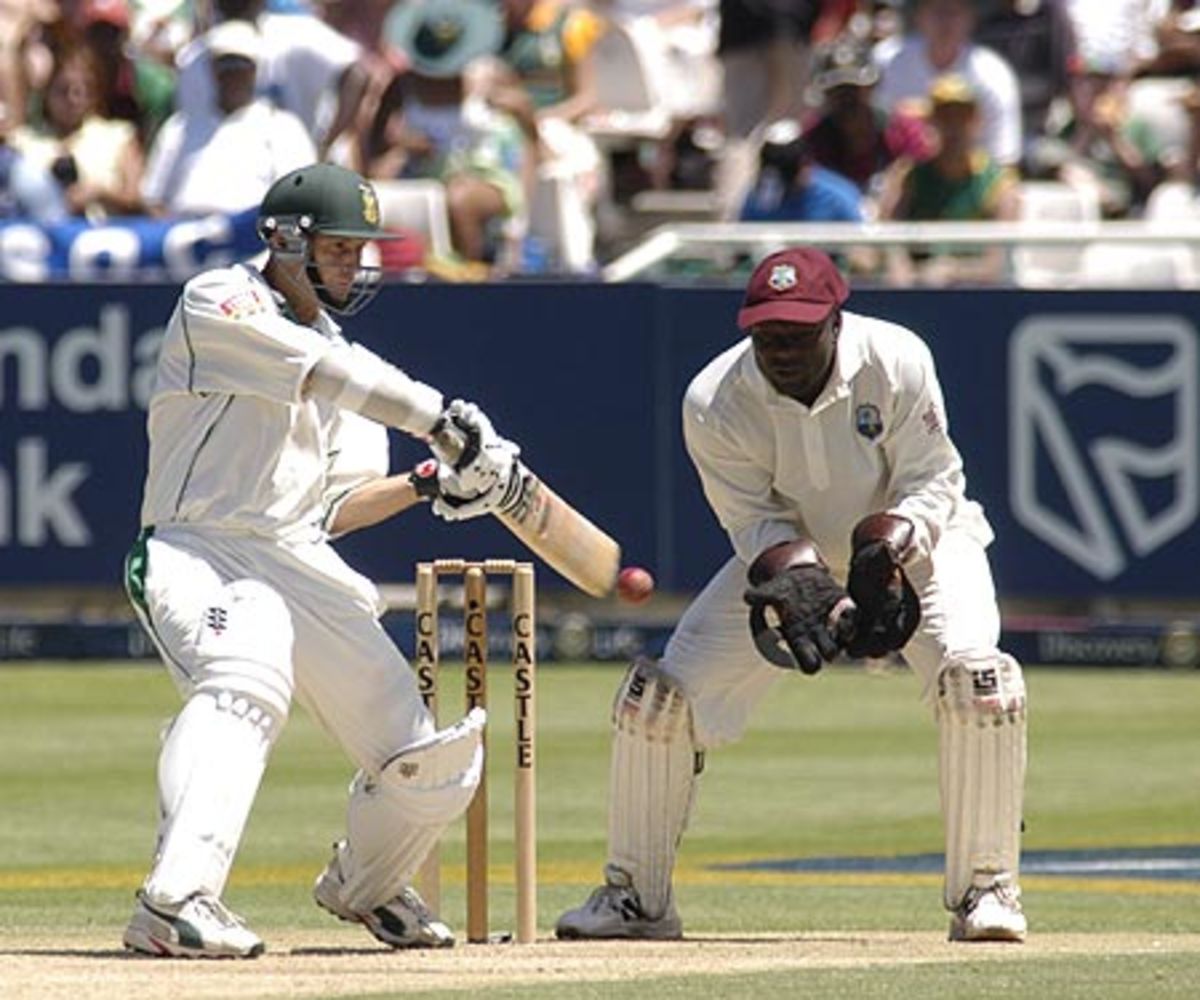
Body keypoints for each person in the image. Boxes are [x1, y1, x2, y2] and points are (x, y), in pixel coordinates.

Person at [555, 245, 1028, 945]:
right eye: (767, 334)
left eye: (799, 333)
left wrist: (887, 551)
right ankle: (636, 899)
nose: (781, 348)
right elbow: (752, 522)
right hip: (795, 556)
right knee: (658, 697)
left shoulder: (895, 358)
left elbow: (934, 481)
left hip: (925, 547)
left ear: (837, 320)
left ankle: (987, 890)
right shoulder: (713, 400)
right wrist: (803, 581)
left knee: (978, 680)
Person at [121, 161, 526, 958]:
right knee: (248, 662)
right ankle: (173, 901)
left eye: (357, 251)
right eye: (336, 249)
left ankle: (369, 888)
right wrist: (441, 421)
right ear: (283, 239)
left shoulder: (339, 352)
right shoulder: (219, 302)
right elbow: (333, 376)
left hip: (294, 555)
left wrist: (430, 482)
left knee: (431, 758)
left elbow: (335, 509)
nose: (351, 265)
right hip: (198, 545)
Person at [140, 19, 315, 216]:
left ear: (254, 69)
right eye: (225, 64)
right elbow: (153, 198)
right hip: (187, 233)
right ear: (213, 70)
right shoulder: (179, 128)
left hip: (252, 237)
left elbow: (300, 200)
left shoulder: (283, 128)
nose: (232, 72)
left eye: (240, 64)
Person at [877, 74, 1019, 286]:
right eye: (945, 117)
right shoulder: (909, 176)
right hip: (917, 290)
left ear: (976, 122)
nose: (954, 127)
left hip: (978, 297)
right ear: (932, 122)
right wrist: (903, 269)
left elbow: (995, 265)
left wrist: (952, 270)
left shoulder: (998, 183)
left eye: (962, 117)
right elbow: (887, 234)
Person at [875, 0, 1023, 168]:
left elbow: (1004, 159)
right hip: (897, 174)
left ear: (971, 18)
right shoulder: (887, 62)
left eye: (955, 12)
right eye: (937, 11)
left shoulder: (993, 75)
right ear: (918, 16)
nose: (945, 22)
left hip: (968, 181)